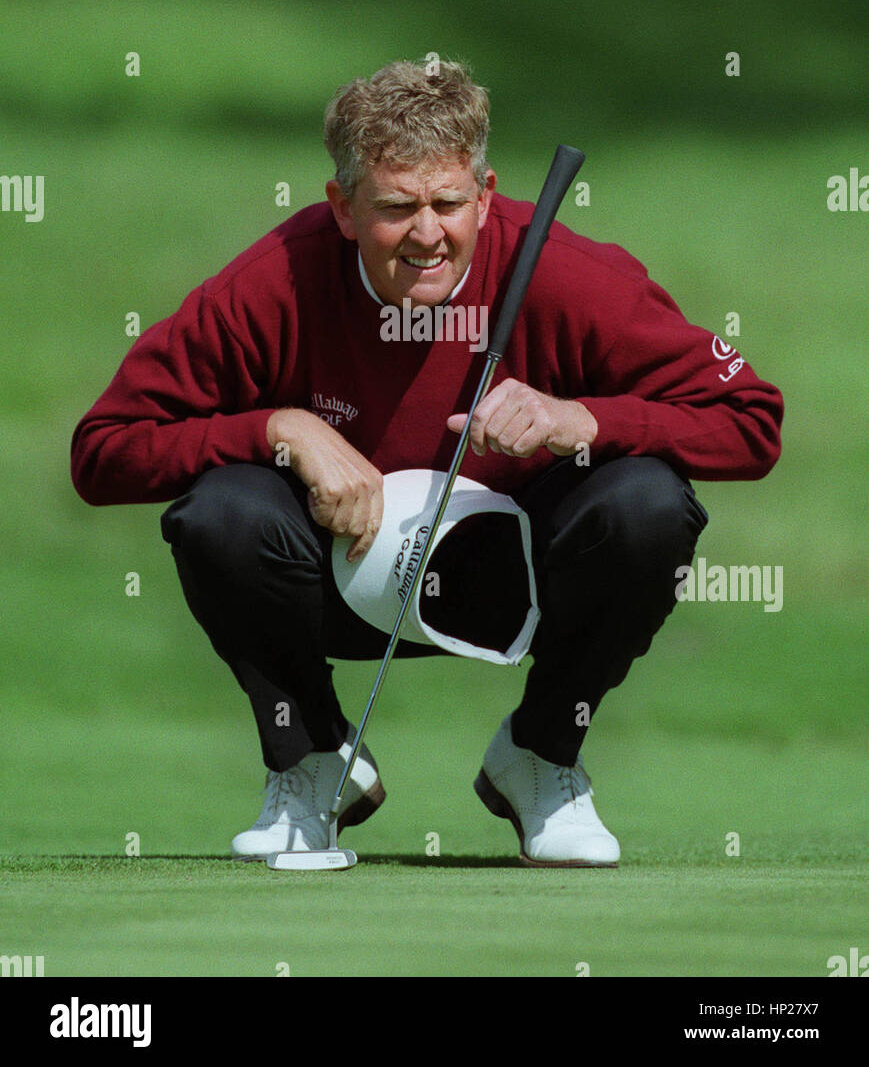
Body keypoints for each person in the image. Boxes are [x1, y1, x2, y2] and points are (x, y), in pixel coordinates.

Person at [70, 59, 784, 868]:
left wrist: (580, 419)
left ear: (485, 193)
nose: (427, 233)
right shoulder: (274, 282)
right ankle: (310, 761)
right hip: (332, 580)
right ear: (340, 207)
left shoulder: (568, 275)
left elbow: (751, 422)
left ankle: (543, 755)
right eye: (395, 207)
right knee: (222, 511)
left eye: (449, 203)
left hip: (520, 585)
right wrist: (279, 427)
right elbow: (103, 451)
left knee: (645, 502)